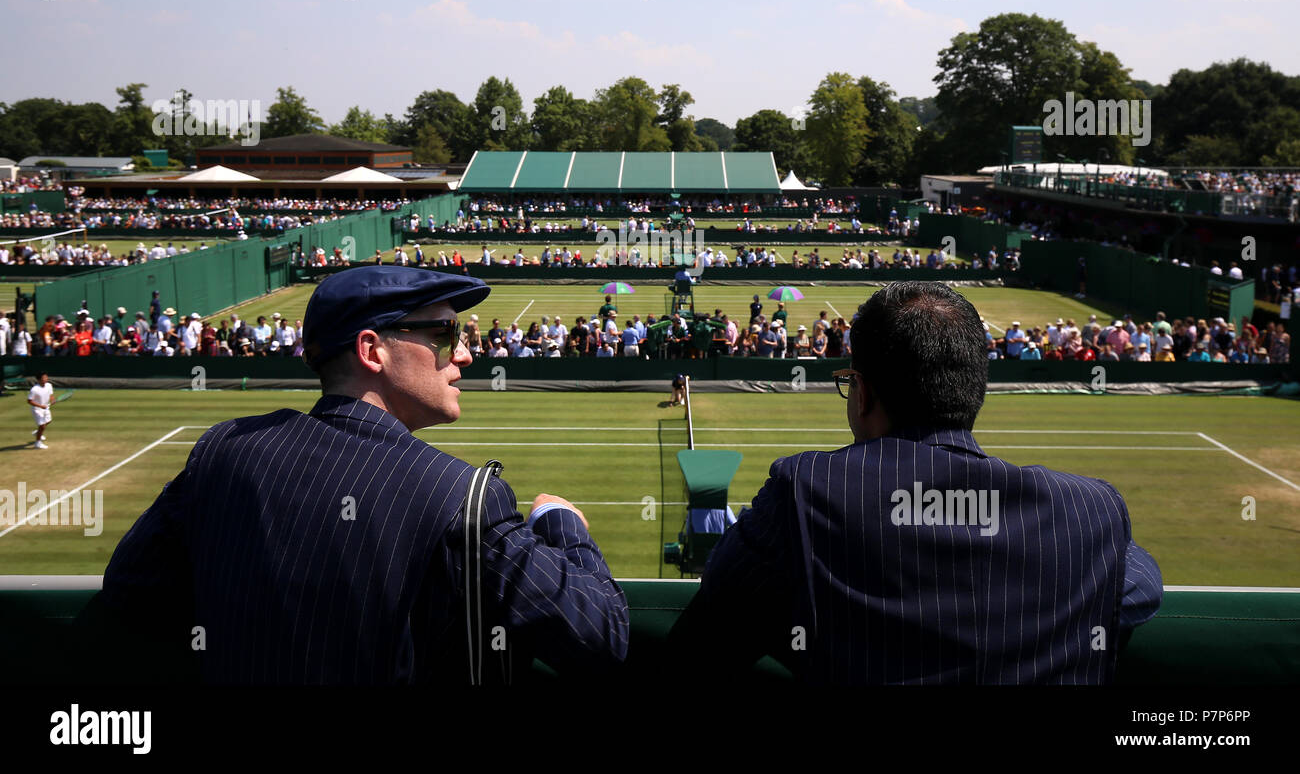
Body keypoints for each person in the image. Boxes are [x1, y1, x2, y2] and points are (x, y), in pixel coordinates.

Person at [85, 265, 629, 683]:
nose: (463, 353)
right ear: (373, 351)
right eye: (442, 332)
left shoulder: (220, 452)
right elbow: (602, 635)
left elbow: (133, 593)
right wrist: (561, 523)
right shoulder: (462, 497)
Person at [669, 280, 1163, 684]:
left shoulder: (803, 489)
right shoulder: (1090, 512)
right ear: (976, 388)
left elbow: (707, 636)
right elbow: (1140, 592)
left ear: (861, 395)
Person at [27, 371, 55, 448]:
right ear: (39, 380)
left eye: (46, 377)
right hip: (37, 409)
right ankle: (38, 443)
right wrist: (40, 406)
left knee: (48, 421)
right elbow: (29, 401)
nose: (46, 379)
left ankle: (38, 432)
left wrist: (52, 400)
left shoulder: (49, 385)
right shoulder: (34, 389)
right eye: (44, 378)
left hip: (46, 408)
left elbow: (51, 395)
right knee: (42, 425)